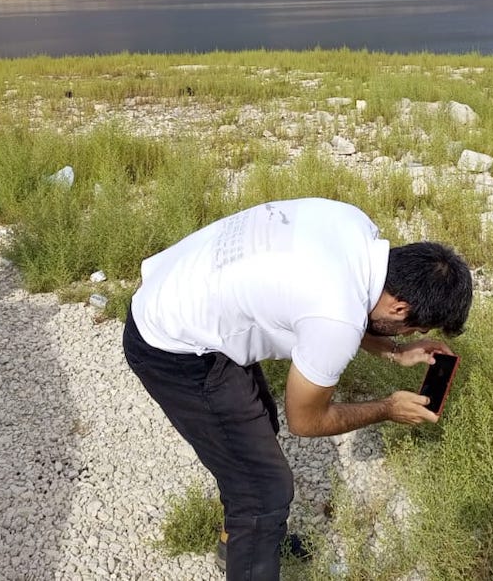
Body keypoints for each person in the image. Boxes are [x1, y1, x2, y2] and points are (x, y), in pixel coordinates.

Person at [122, 197, 473, 580]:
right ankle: (250, 541)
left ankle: (238, 541)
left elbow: (347, 310)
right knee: (264, 490)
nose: (413, 336)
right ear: (400, 309)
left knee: (256, 435)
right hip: (172, 346)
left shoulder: (356, 228)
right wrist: (389, 408)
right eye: (415, 329)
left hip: (184, 292)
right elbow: (306, 420)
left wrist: (394, 351)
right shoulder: (336, 316)